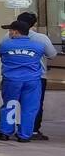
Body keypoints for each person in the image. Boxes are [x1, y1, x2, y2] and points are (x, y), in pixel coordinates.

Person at [0, 20, 46, 143]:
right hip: (32, 81)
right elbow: (42, 55)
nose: (9, 33)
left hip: (11, 80)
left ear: (15, 32)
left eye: (10, 31)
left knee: (10, 105)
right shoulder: (38, 46)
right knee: (29, 108)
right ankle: (24, 135)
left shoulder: (5, 45)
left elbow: (0, 54)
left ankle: (5, 133)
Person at [12, 11, 57, 140]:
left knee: (14, 102)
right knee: (34, 104)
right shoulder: (41, 38)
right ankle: (32, 130)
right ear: (33, 24)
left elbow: (1, 51)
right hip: (37, 76)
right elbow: (52, 55)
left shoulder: (9, 36)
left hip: (13, 75)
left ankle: (9, 129)